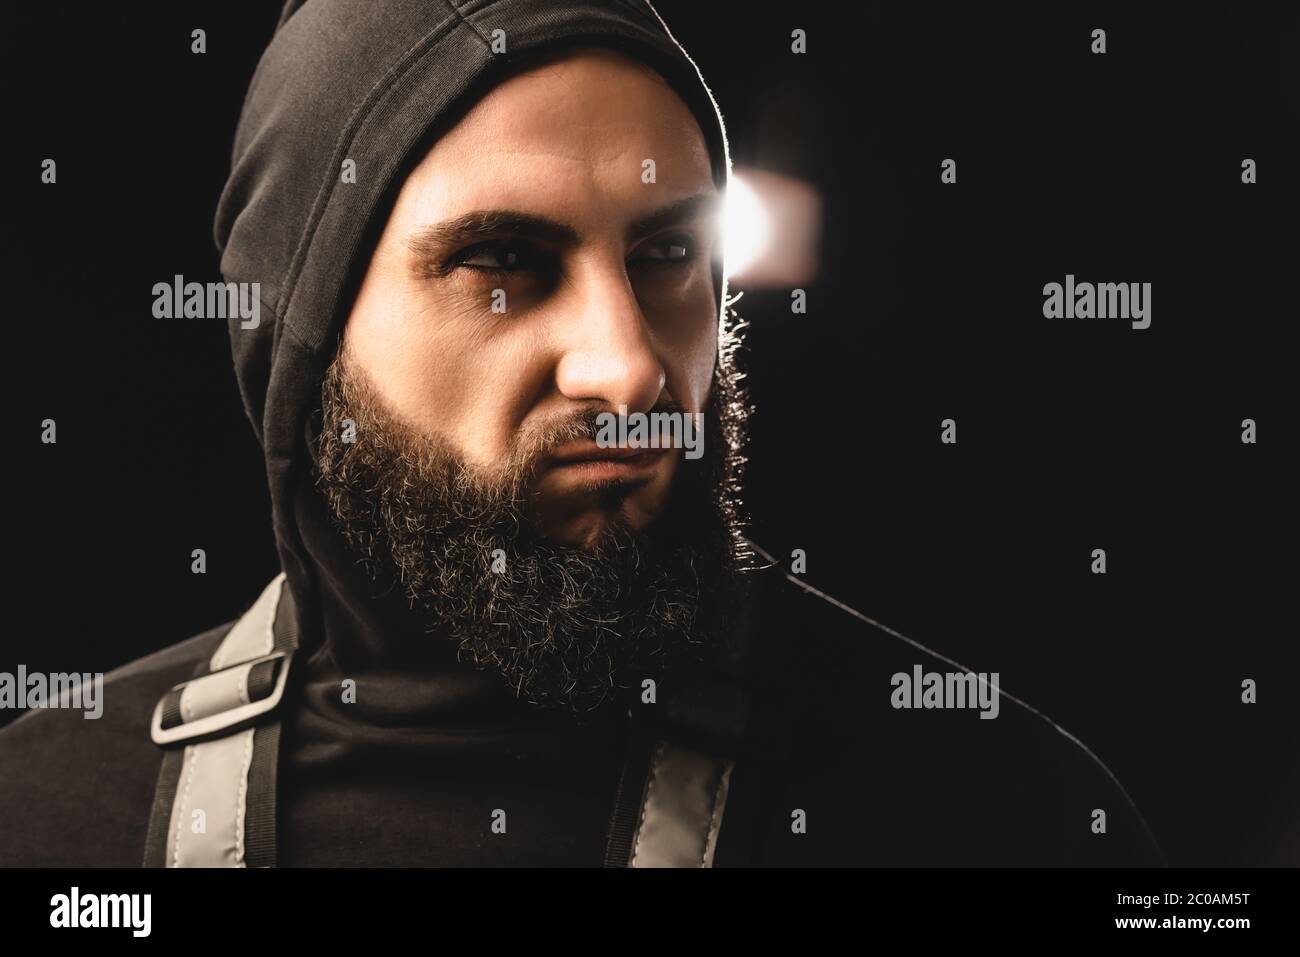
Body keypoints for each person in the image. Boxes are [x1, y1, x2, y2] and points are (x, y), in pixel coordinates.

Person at [0, 0, 1161, 867]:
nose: (632, 366)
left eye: (665, 257)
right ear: (302, 339)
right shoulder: (45, 819)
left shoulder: (1001, 813)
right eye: (504, 262)